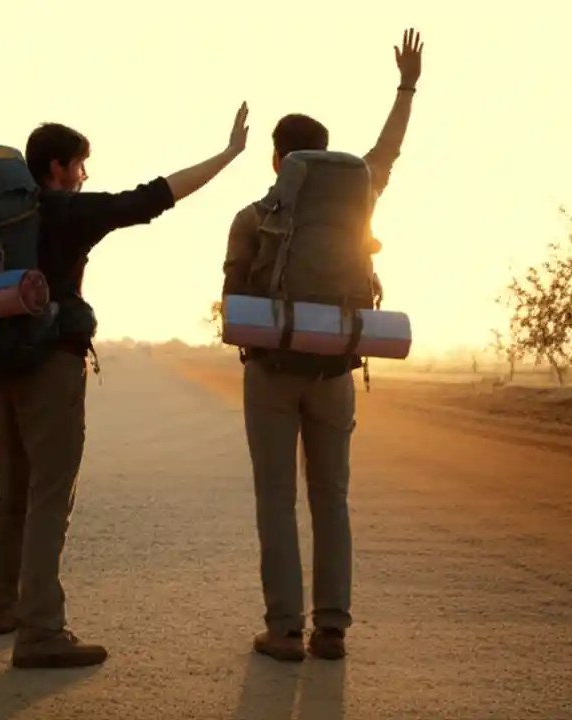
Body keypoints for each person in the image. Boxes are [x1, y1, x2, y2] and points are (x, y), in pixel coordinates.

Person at [0, 103, 251, 669]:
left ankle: (4, 606)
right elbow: (156, 196)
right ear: (57, 167)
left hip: (1, 363)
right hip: (50, 365)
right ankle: (41, 632)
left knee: (15, 494)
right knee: (51, 496)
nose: (84, 176)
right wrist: (227, 156)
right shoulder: (68, 212)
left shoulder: (3, 216)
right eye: (81, 165)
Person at [220, 28, 424, 662]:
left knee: (276, 503)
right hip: (336, 369)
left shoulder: (253, 218)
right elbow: (388, 151)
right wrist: (407, 84)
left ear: (279, 162)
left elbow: (232, 306)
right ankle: (332, 629)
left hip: (272, 371)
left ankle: (284, 631)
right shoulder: (360, 201)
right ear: (328, 162)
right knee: (331, 499)